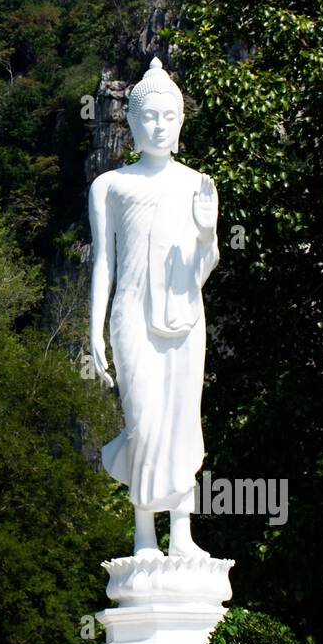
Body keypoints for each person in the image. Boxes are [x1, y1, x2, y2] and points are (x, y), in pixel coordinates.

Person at [88, 56, 219, 559]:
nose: (158, 125)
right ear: (131, 122)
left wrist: (207, 230)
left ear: (180, 122)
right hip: (130, 315)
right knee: (143, 420)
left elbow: (204, 266)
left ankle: (182, 533)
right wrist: (93, 330)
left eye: (168, 116)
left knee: (183, 419)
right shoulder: (111, 185)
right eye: (148, 116)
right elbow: (104, 263)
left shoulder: (197, 184)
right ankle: (144, 534)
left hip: (185, 318)